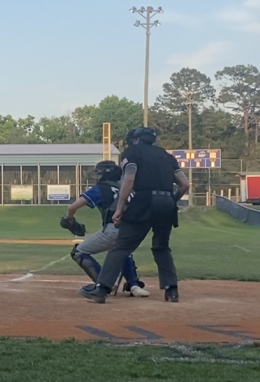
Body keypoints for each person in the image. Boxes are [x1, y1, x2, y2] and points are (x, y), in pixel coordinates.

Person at [78, 128, 189, 304]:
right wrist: (170, 201)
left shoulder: (132, 152)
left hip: (144, 200)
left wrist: (120, 208)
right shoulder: (166, 156)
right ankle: (171, 290)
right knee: (161, 246)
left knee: (121, 247)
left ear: (136, 139)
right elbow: (184, 184)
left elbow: (129, 179)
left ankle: (102, 289)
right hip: (167, 202)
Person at [63, 161, 150, 297]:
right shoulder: (127, 187)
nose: (97, 176)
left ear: (106, 173)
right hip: (134, 230)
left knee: (79, 252)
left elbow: (72, 207)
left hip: (114, 228)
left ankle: (102, 284)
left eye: (99, 172)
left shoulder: (101, 188)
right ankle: (134, 285)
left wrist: (69, 219)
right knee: (121, 251)